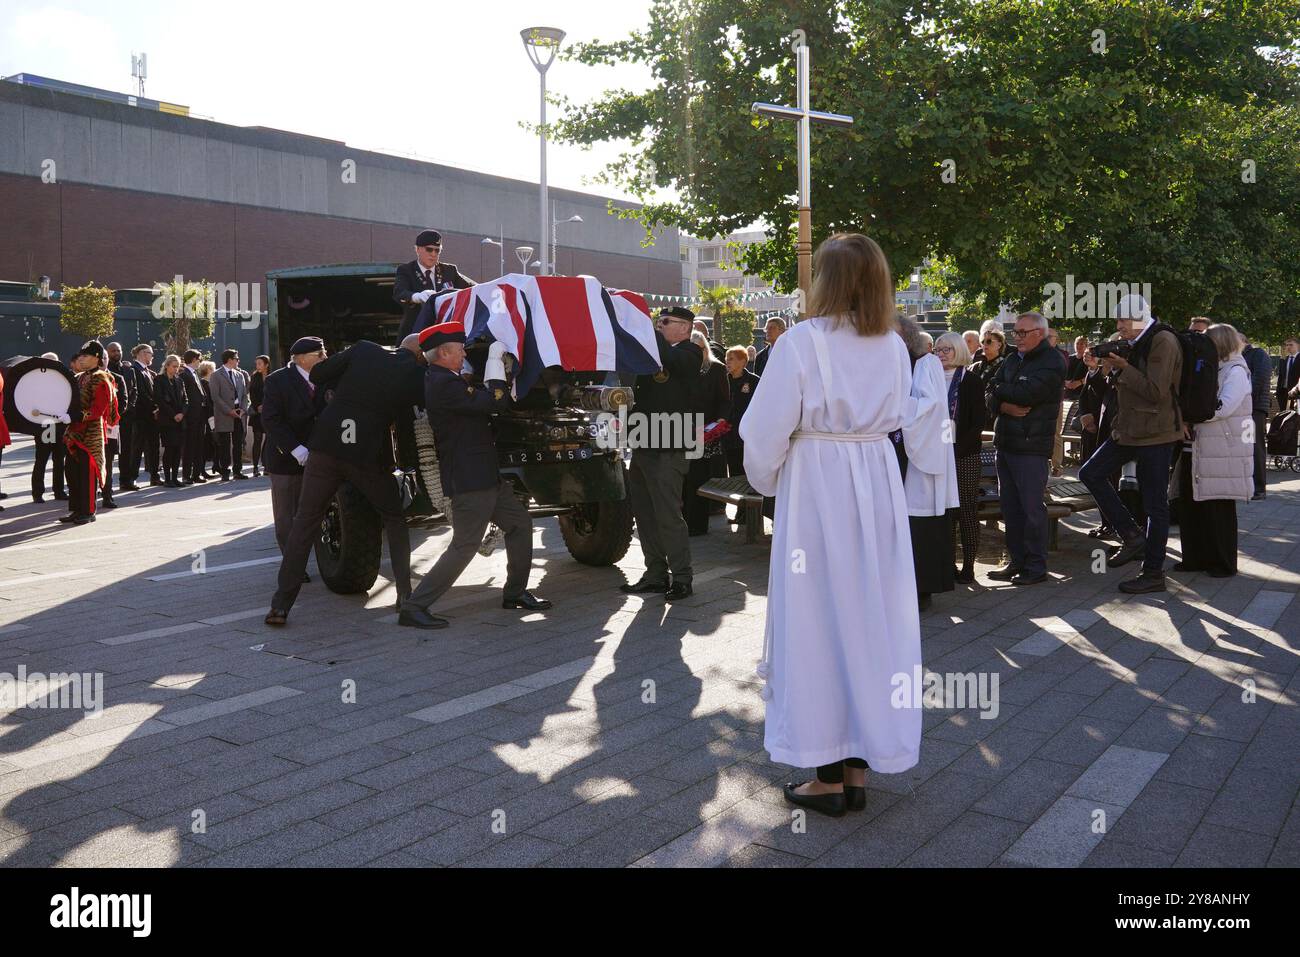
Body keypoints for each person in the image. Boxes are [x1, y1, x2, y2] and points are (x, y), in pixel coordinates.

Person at [740, 233, 921, 817]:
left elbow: (763, 431)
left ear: (826, 279)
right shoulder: (892, 344)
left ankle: (827, 776)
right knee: (871, 616)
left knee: (817, 618)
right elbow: (897, 415)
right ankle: (858, 769)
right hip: (875, 482)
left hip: (818, 486)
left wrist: (769, 481)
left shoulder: (799, 343)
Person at [265, 339, 429, 627]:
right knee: (394, 517)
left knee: (304, 524)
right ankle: (405, 595)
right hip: (364, 456)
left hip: (325, 449)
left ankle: (280, 605)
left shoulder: (364, 348)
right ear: (419, 356)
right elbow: (407, 423)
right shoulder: (415, 374)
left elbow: (318, 375)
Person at [402, 323, 551, 626]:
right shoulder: (444, 383)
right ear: (443, 353)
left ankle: (515, 593)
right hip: (470, 479)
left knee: (520, 524)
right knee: (465, 545)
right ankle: (415, 607)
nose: (464, 352)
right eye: (459, 348)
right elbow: (494, 403)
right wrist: (495, 364)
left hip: (484, 475)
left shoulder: (448, 378)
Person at [1078, 294, 1183, 594]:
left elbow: (1155, 391)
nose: (1118, 326)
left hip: (1155, 434)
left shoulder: (1162, 340)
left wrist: (1123, 367)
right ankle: (1132, 535)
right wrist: (1110, 370)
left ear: (1139, 318)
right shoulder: (1138, 341)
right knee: (1090, 473)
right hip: (1129, 430)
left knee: (1154, 505)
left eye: (1123, 320)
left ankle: (1152, 573)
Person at [620, 305, 704, 601]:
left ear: (685, 327)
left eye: (665, 322)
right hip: (644, 442)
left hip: (670, 446)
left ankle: (682, 576)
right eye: (659, 322)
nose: (660, 326)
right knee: (644, 513)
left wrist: (648, 329)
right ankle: (655, 572)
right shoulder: (654, 353)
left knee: (668, 514)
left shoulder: (691, 352)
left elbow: (671, 361)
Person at [985, 311, 1065, 586]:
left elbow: (1028, 394)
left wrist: (1000, 392)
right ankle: (1016, 561)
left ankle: (1035, 566)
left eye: (1022, 333)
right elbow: (990, 391)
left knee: (1031, 509)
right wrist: (1004, 404)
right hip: (1006, 443)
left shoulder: (1052, 361)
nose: (1016, 338)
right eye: (1015, 333)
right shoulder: (1011, 359)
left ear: (1039, 334)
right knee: (1011, 508)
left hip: (1031, 446)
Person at [1171, 324, 1253, 577]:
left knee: (1218, 509)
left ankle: (1221, 562)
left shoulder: (1236, 370)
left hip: (1220, 451)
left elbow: (1222, 407)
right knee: (1191, 504)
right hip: (1199, 447)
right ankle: (1195, 557)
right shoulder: (1213, 368)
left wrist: (1190, 416)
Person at [899, 318, 960, 609]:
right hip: (895, 453)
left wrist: (893, 404)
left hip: (918, 459)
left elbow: (930, 405)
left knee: (918, 522)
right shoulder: (892, 364)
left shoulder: (926, 365)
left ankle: (922, 589)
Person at [260, 338, 328, 570]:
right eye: (319, 354)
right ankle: (294, 566)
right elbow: (271, 419)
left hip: (320, 458)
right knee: (287, 517)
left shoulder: (326, 378)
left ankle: (324, 560)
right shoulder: (277, 380)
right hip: (287, 459)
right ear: (300, 358)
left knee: (318, 512)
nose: (324, 357)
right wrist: (296, 449)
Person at [935, 332, 985, 584]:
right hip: (934, 454)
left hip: (964, 454)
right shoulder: (928, 379)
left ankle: (968, 565)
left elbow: (978, 423)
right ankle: (945, 563)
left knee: (965, 510)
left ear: (959, 351)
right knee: (943, 513)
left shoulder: (972, 382)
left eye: (947, 350)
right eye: (938, 350)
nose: (941, 354)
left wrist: (956, 450)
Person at [60, 341, 120, 525]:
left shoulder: (102, 378)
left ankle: (88, 511)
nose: (81, 359)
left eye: (85, 356)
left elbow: (99, 409)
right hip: (74, 432)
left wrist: (77, 416)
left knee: (87, 473)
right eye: (80, 356)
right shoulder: (78, 377)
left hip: (91, 433)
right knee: (71, 472)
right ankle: (76, 509)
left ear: (96, 358)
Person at [682, 330, 731, 536]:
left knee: (698, 476)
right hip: (683, 428)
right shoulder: (682, 369)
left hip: (706, 429)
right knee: (683, 477)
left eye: (699, 348)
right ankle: (683, 522)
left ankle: (698, 524)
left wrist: (720, 419)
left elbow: (725, 400)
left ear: (705, 348)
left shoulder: (716, 369)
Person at [393, 229, 476, 341]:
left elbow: (473, 287)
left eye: (437, 251)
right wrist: (417, 296)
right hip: (416, 333)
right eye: (429, 249)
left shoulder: (449, 270)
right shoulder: (406, 270)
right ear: (417, 249)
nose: (433, 254)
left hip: (443, 335)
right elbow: (400, 292)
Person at [32, 352, 68, 503]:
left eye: (54, 362)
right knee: (42, 458)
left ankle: (59, 491)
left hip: (60, 425)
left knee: (59, 459)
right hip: (45, 425)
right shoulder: (34, 381)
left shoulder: (63, 379)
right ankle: (38, 492)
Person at [211, 349, 251, 481]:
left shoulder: (239, 375)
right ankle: (225, 471)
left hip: (239, 413)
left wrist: (244, 409)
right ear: (229, 360)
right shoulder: (216, 375)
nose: (238, 361)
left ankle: (237, 471)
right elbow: (215, 397)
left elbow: (245, 395)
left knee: (238, 443)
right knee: (225, 445)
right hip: (224, 414)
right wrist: (229, 410)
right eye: (236, 358)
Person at [1240, 335, 1272, 501]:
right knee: (1246, 447)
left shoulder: (1258, 354)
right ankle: (1247, 486)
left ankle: (1258, 488)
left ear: (1243, 341)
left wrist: (1240, 392)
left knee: (1254, 447)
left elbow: (1258, 380)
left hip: (1254, 409)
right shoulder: (1238, 356)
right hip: (1243, 409)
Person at [721, 345, 760, 479]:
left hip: (747, 436)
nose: (727, 362)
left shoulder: (754, 381)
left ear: (743, 361)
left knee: (748, 472)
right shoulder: (723, 380)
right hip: (728, 435)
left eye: (731, 359)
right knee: (733, 472)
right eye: (726, 359)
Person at [126, 344, 161, 486]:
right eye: (150, 353)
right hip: (140, 416)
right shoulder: (134, 370)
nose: (152, 356)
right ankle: (131, 478)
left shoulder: (149, 372)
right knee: (137, 447)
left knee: (154, 447)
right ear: (141, 353)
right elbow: (139, 394)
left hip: (152, 417)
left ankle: (155, 475)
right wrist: (154, 408)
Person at [106, 342, 138, 491]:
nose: (116, 353)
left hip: (127, 417)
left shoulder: (128, 370)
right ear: (107, 353)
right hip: (109, 418)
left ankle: (126, 480)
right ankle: (106, 484)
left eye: (118, 350)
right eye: (113, 351)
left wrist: (126, 409)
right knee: (109, 453)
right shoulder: (105, 371)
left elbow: (134, 392)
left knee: (127, 450)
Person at [155, 355, 188, 487]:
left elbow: (185, 400)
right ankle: (167, 478)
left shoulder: (179, 381)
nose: (176, 369)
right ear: (167, 365)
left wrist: (182, 413)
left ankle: (175, 477)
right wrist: (173, 414)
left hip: (179, 420)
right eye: (173, 366)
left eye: (177, 367)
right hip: (167, 421)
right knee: (169, 449)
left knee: (178, 450)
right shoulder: (159, 380)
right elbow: (159, 400)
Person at [101, 360, 128, 508]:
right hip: (92, 428)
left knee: (109, 464)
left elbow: (124, 402)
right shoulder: (85, 378)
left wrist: (110, 417)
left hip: (111, 426)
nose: (102, 362)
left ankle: (107, 496)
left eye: (104, 359)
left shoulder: (117, 378)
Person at [178, 351, 208, 484]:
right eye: (199, 360)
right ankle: (186, 475)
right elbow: (184, 396)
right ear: (194, 359)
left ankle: (197, 473)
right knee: (189, 446)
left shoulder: (195, 373)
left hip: (200, 414)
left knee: (199, 445)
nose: (200, 362)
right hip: (191, 416)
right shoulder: (184, 374)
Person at [248, 355, 269, 477]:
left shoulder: (273, 376)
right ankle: (255, 467)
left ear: (266, 364)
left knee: (269, 439)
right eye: (256, 364)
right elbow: (252, 395)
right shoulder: (254, 377)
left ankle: (266, 465)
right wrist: (257, 406)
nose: (258, 366)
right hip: (257, 413)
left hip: (270, 412)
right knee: (257, 439)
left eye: (260, 363)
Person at [1276, 337, 1299, 409]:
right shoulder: (1283, 359)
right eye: (1287, 345)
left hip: (1296, 394)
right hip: (1283, 393)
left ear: (1298, 346)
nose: (1288, 347)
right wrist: (1278, 392)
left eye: (1291, 345)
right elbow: (1281, 377)